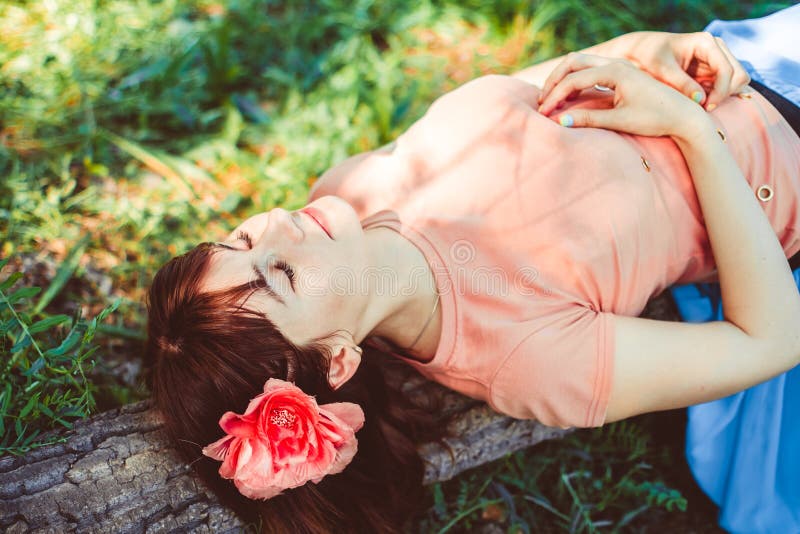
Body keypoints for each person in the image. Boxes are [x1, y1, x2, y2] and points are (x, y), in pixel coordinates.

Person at [144, 5, 800, 532]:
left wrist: (640, 52)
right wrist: (690, 130)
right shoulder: (528, 358)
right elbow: (770, 341)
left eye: (238, 241)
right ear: (338, 359)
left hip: (757, 53)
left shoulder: (348, 187)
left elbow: (547, 89)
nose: (279, 226)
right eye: (282, 276)